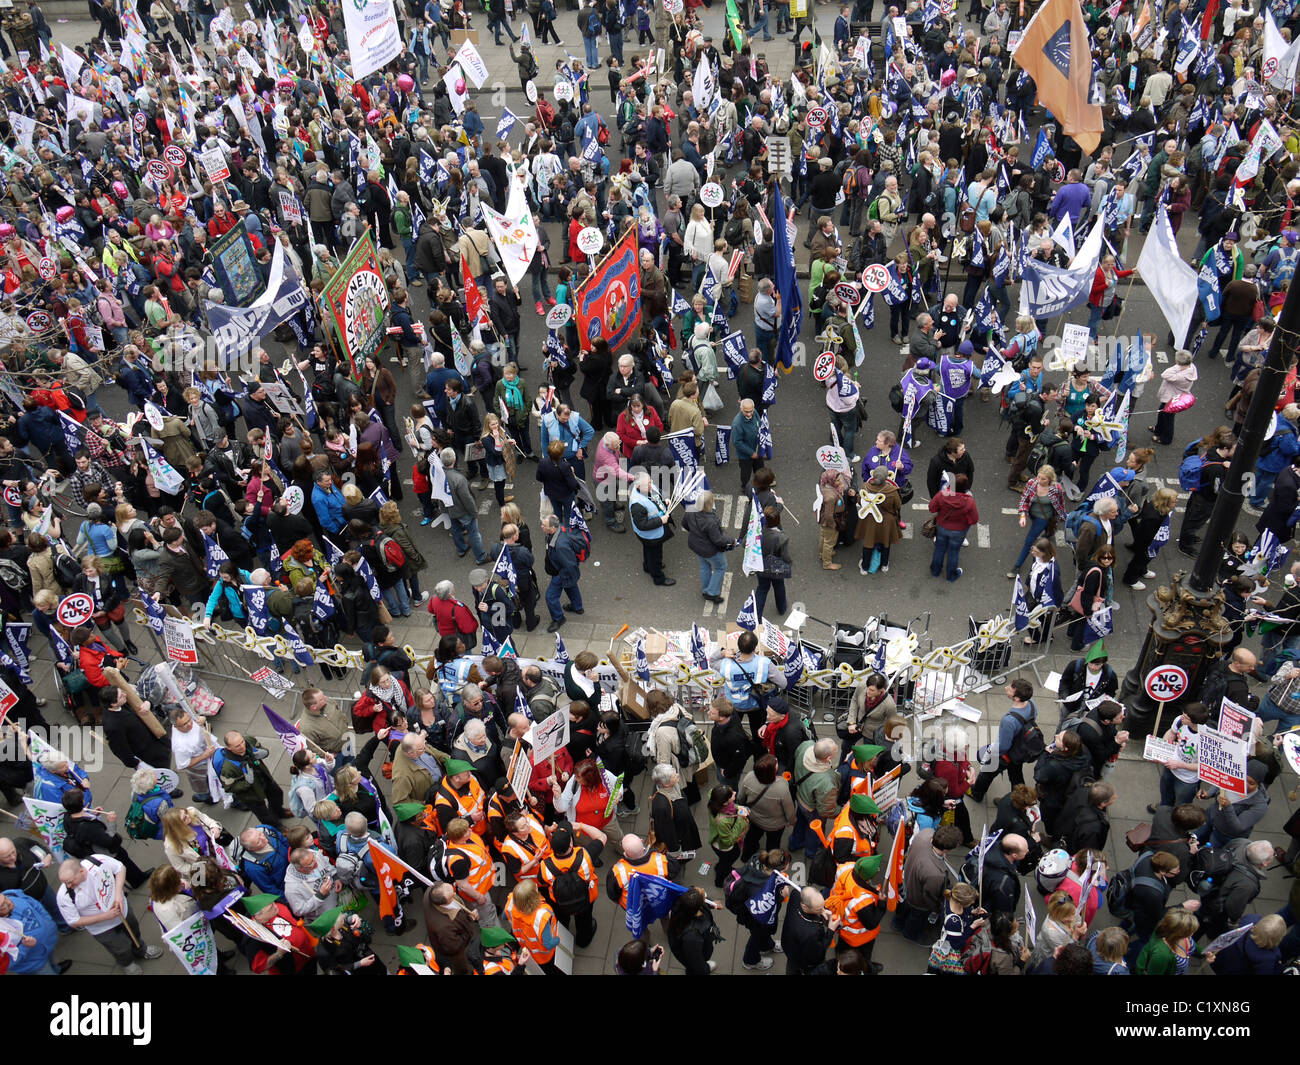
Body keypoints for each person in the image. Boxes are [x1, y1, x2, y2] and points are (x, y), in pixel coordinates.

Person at [57, 856, 164, 974]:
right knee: (120, 948)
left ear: (82, 871)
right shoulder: (64, 896)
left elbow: (120, 868)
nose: (68, 886)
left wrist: (118, 895)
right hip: (102, 928)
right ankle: (127, 963)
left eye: (70, 881)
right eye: (65, 883)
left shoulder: (96, 862)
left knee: (134, 931)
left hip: (123, 911)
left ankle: (141, 949)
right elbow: (74, 921)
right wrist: (104, 917)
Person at [970, 679, 1040, 802]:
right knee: (1016, 775)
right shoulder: (1032, 703)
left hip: (1007, 753)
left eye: (1010, 688)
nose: (1006, 687)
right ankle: (1019, 800)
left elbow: (1003, 746)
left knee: (987, 772)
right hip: (1020, 749)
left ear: (1017, 698)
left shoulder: (1009, 721)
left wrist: (991, 753)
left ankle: (976, 793)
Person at [896, 824, 965, 943]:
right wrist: (936, 908)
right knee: (916, 918)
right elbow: (929, 898)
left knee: (904, 909)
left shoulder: (925, 833)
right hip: (918, 900)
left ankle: (897, 924)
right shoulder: (936, 874)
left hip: (908, 880)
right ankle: (910, 934)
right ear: (946, 850)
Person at [927, 472, 978, 581]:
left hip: (942, 527)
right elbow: (974, 519)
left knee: (939, 549)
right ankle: (951, 575)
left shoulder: (942, 495)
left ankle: (935, 571)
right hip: (959, 531)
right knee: (953, 552)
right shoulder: (969, 501)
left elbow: (932, 508)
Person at [666, 886, 722, 975]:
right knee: (693, 969)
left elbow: (697, 900)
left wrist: (711, 903)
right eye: (703, 896)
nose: (703, 889)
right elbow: (696, 963)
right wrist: (705, 968)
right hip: (695, 954)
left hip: (698, 944)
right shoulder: (692, 937)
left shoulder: (683, 904)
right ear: (697, 907)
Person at [1135, 908, 1199, 975]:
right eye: (1191, 932)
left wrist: (1205, 953)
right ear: (1179, 934)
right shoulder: (1162, 955)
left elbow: (1192, 945)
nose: (1192, 934)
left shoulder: (1180, 935)